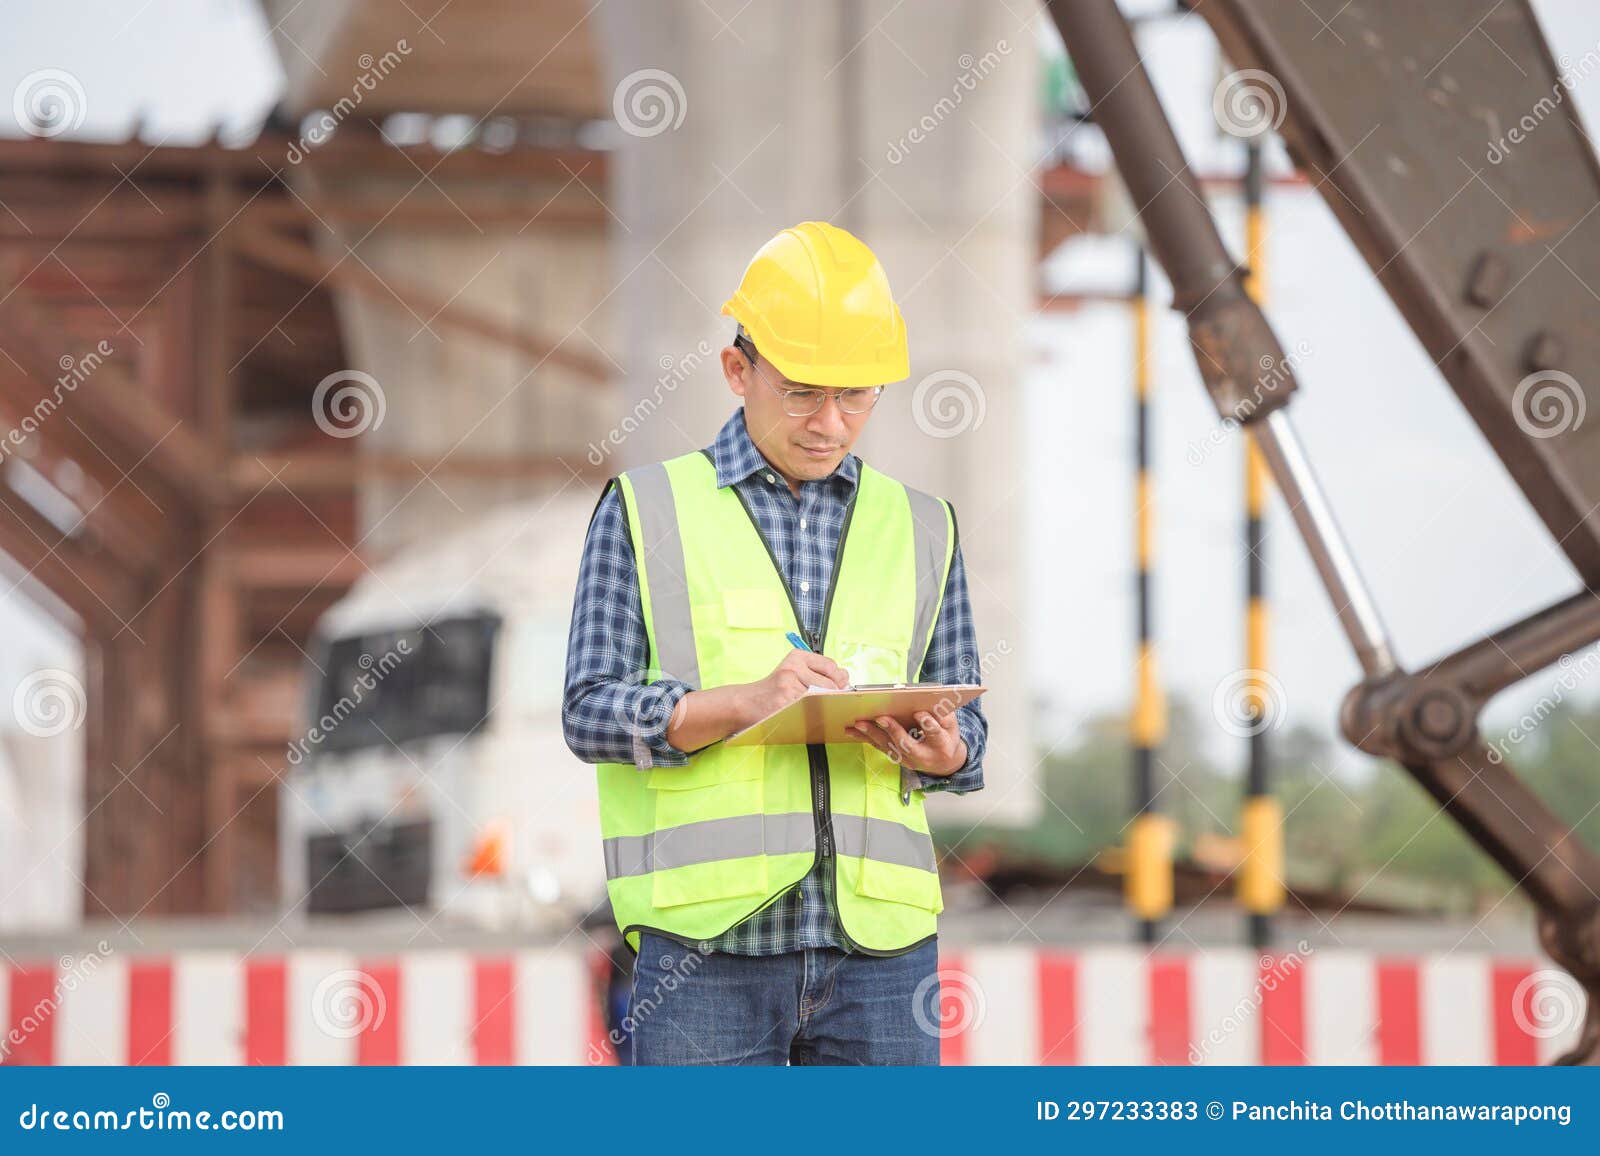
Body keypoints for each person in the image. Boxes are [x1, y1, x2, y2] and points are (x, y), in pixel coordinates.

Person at [562, 220, 987, 1065]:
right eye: (801, 392)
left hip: (883, 952)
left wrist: (943, 748)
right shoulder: (647, 510)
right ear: (737, 369)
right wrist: (741, 704)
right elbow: (589, 713)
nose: (830, 422)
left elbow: (969, 737)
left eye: (857, 395)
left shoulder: (923, 526)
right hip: (707, 952)